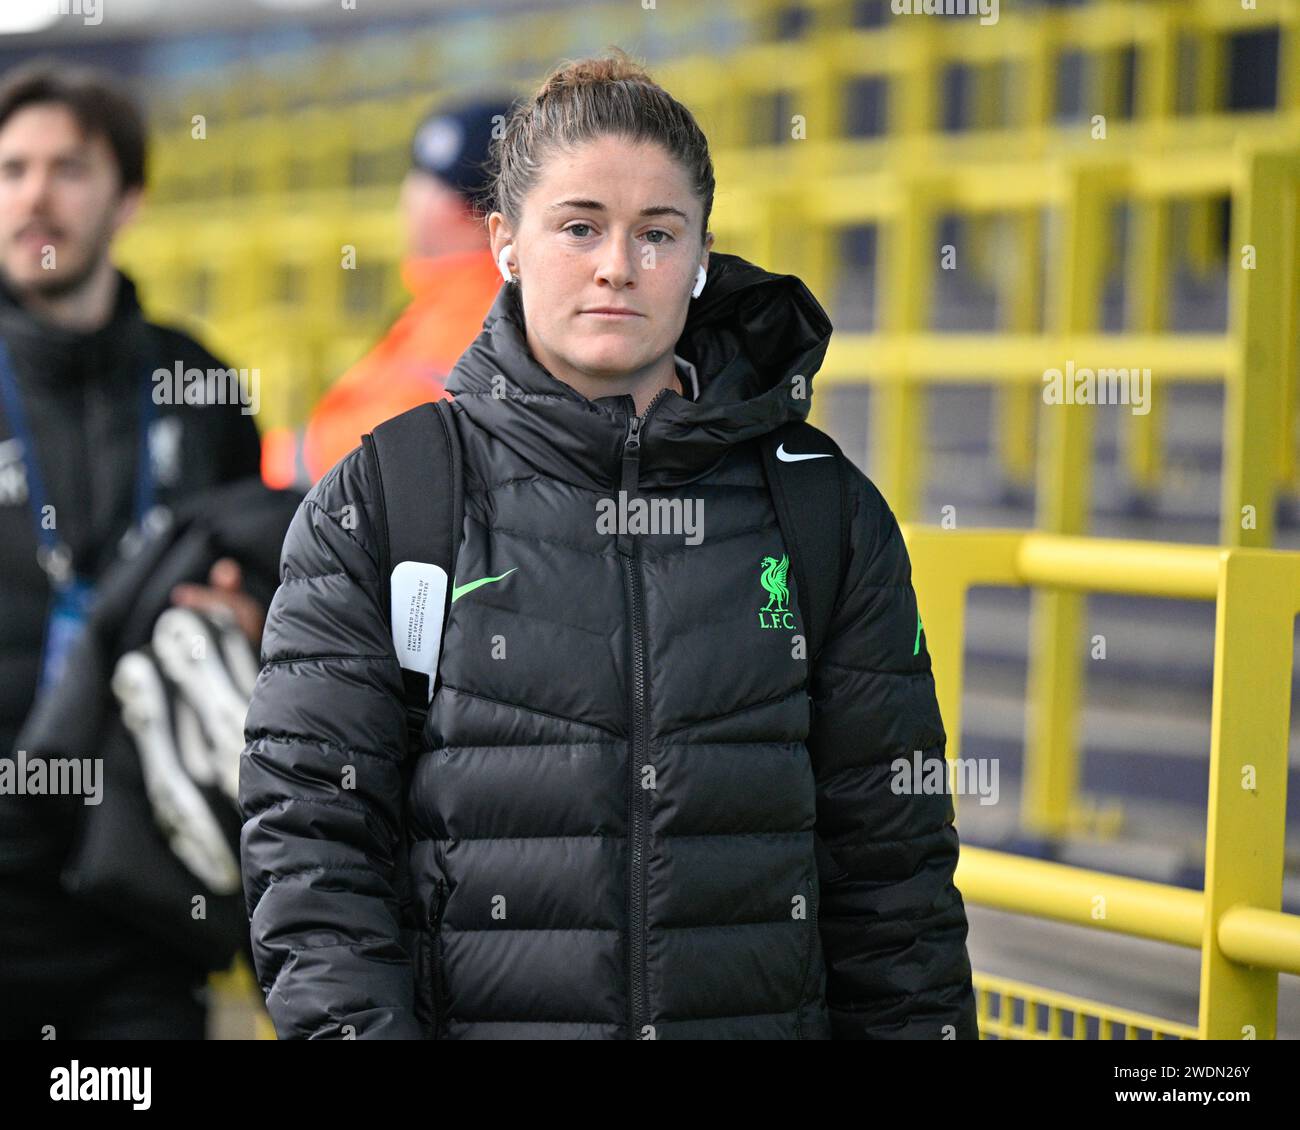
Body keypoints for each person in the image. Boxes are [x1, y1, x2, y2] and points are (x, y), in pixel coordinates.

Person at [240, 49, 979, 1040]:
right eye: (579, 226)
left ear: (702, 253)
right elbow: (310, 850)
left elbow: (894, 879)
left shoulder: (823, 512)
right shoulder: (388, 499)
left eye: (657, 233)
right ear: (503, 241)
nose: (616, 267)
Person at [0, 61, 263, 1039]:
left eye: (69, 167)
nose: (35, 192)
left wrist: (249, 614)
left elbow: (267, 598)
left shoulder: (201, 382)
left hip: (145, 885)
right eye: (12, 168)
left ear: (128, 197)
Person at [287, 96, 514, 486]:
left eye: (431, 185)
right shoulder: (443, 301)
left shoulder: (486, 314)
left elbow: (371, 458)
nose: (411, 198)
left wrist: (272, 463)